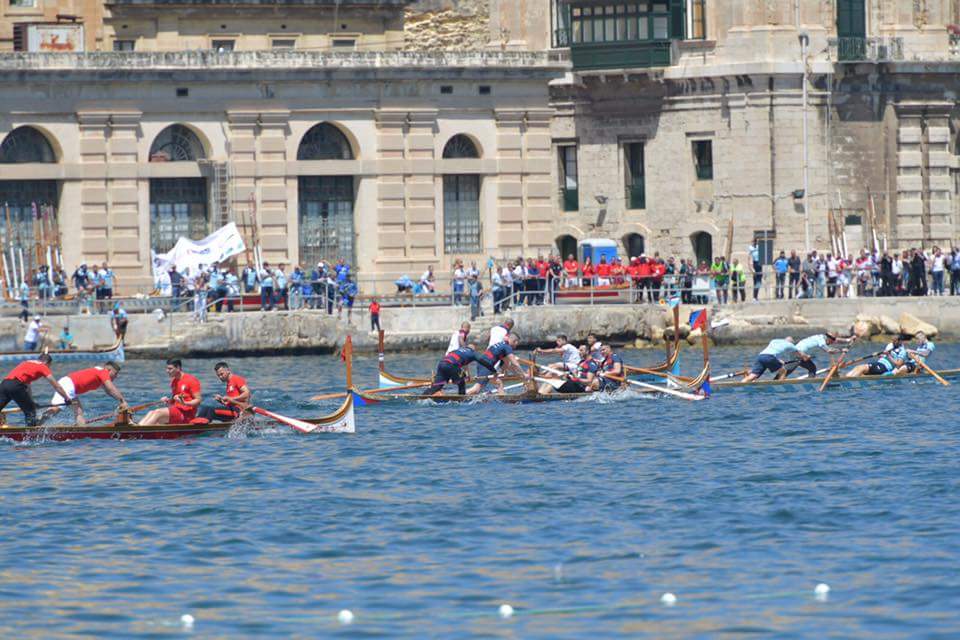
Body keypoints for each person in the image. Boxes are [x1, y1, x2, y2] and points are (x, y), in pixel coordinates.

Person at [0, 354, 73, 426]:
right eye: (49, 366)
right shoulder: (43, 366)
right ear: (47, 363)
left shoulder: (27, 362)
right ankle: (31, 432)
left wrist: (31, 402)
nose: (49, 368)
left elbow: (27, 386)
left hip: (4, 384)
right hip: (16, 386)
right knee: (30, 411)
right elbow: (56, 386)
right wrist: (66, 398)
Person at [45, 362, 127, 426]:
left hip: (70, 386)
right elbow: (110, 388)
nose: (116, 376)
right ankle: (38, 423)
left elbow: (109, 391)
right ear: (109, 370)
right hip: (68, 385)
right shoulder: (103, 372)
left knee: (79, 412)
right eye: (115, 373)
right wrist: (123, 401)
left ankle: (81, 430)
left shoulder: (100, 374)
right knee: (57, 409)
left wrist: (120, 401)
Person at [139, 359, 202, 425]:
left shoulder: (191, 380)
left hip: (187, 414)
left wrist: (184, 403)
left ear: (178, 368)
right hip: (176, 410)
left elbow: (198, 400)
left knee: (158, 412)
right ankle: (138, 427)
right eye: (167, 368)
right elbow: (174, 401)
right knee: (151, 412)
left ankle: (139, 430)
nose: (167, 371)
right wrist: (168, 401)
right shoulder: (174, 382)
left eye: (170, 369)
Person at [785, 332, 857, 378]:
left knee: (810, 368)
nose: (832, 343)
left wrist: (848, 339)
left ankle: (810, 382)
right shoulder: (821, 341)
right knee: (811, 368)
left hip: (799, 353)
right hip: (798, 354)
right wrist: (841, 350)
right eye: (831, 342)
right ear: (828, 339)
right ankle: (810, 383)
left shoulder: (823, 337)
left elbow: (836, 340)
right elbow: (829, 351)